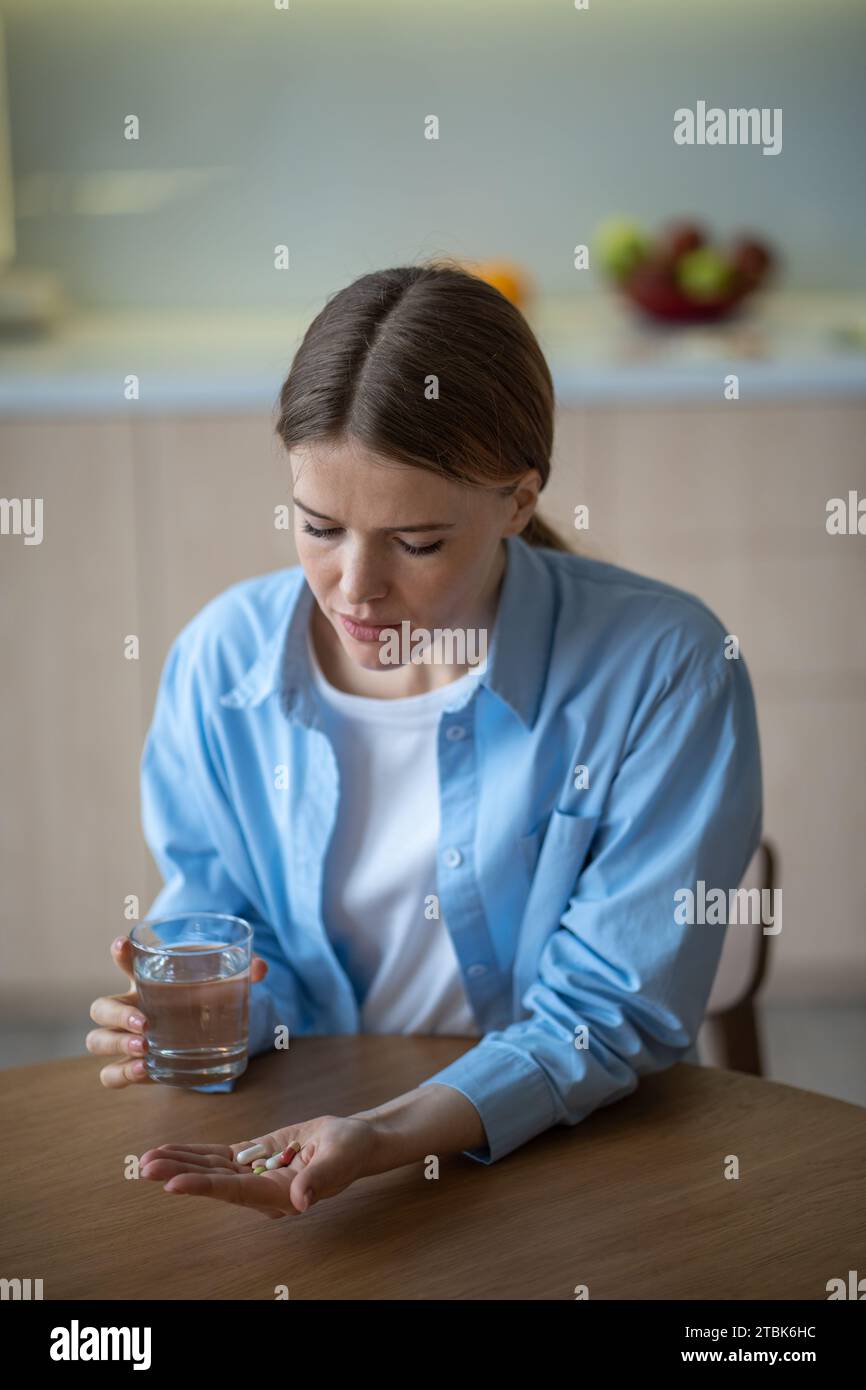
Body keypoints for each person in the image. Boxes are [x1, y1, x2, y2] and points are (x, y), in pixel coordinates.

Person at [86, 262, 762, 1219]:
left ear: (518, 502)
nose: (354, 587)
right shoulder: (220, 663)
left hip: (577, 1154)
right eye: (318, 527)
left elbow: (610, 1014)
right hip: (300, 1140)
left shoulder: (666, 668)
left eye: (416, 544)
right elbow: (231, 930)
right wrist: (205, 1015)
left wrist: (392, 1135)